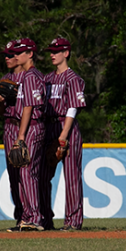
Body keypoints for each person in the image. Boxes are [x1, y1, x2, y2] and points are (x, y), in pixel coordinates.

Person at [0, 38, 46, 232]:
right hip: (13, 126)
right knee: (18, 173)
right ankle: (25, 217)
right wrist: (1, 102)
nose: (14, 56)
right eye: (13, 53)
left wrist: (21, 136)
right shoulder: (20, 76)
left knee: (26, 171)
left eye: (18, 53)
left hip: (29, 127)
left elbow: (28, 107)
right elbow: (2, 110)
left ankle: (33, 218)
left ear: (30, 54)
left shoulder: (31, 76)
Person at [40, 37, 87, 230]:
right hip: (48, 125)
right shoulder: (47, 79)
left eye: (57, 51)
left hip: (65, 126)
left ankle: (73, 222)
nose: (52, 54)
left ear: (66, 53)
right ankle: (44, 219)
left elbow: (73, 107)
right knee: (42, 175)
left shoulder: (73, 78)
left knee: (72, 175)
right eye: (51, 51)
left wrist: (64, 134)